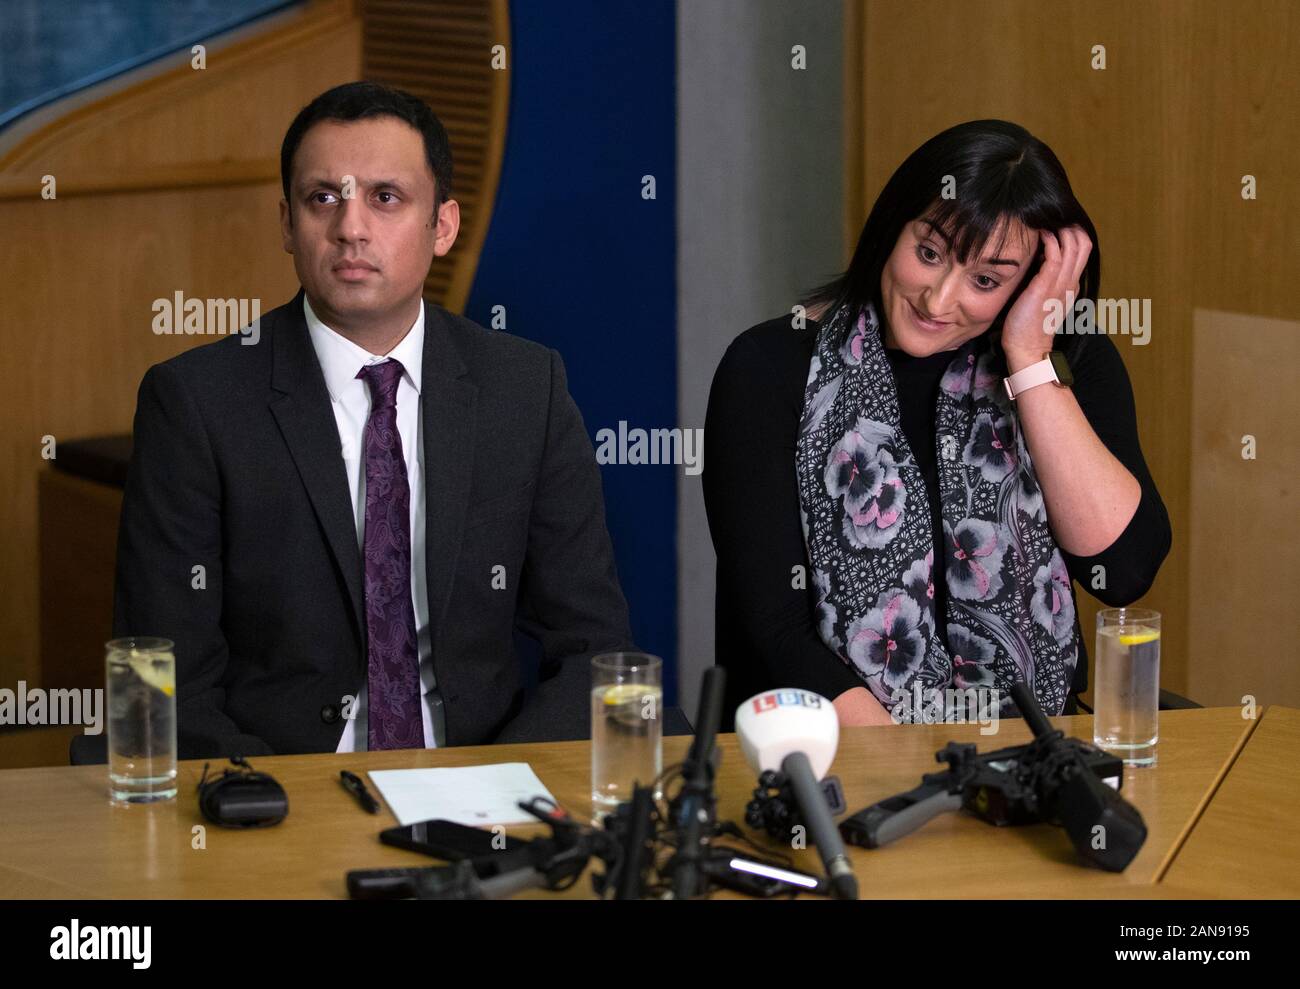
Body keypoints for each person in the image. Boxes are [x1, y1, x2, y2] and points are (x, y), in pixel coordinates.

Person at [113, 81, 633, 758]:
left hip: (479, 793)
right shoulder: (195, 402)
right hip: (279, 798)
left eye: (385, 198)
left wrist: (497, 786)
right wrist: (273, 805)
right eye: (322, 197)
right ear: (286, 224)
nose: (350, 228)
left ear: (442, 225)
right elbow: (160, 676)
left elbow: (595, 651)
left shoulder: (525, 389)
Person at [704, 119, 1170, 728]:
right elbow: (775, 629)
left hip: (1029, 756)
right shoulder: (771, 366)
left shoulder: (1068, 362)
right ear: (891, 226)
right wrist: (922, 783)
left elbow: (1123, 571)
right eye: (928, 253)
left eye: (985, 280)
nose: (938, 299)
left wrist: (1028, 363)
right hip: (832, 761)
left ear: (1030, 282)